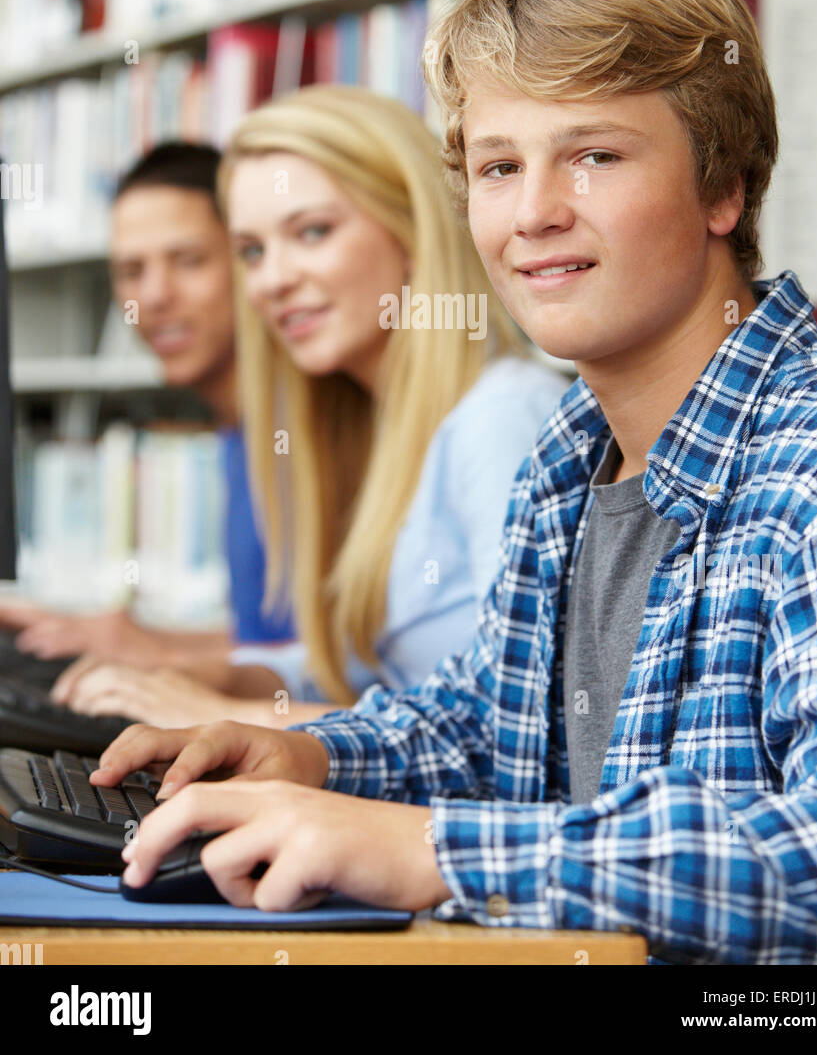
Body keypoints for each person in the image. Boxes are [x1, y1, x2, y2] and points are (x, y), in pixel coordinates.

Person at [94, 0, 817, 965]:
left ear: (720, 188)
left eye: (592, 155)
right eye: (499, 166)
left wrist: (434, 850)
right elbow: (487, 720)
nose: (534, 211)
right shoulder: (566, 455)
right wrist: (311, 751)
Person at [53, 85, 567, 727]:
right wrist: (233, 676)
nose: (272, 279)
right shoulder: (378, 425)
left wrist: (227, 715)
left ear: (413, 231)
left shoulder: (503, 419)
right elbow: (375, 670)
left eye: (313, 232)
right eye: (253, 251)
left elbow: (524, 735)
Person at [0, 142, 293, 664]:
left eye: (188, 260)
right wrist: (116, 638)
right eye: (132, 271)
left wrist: (156, 651)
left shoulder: (305, 436)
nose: (154, 297)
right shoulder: (236, 437)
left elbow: (352, 675)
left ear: (252, 258)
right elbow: (276, 651)